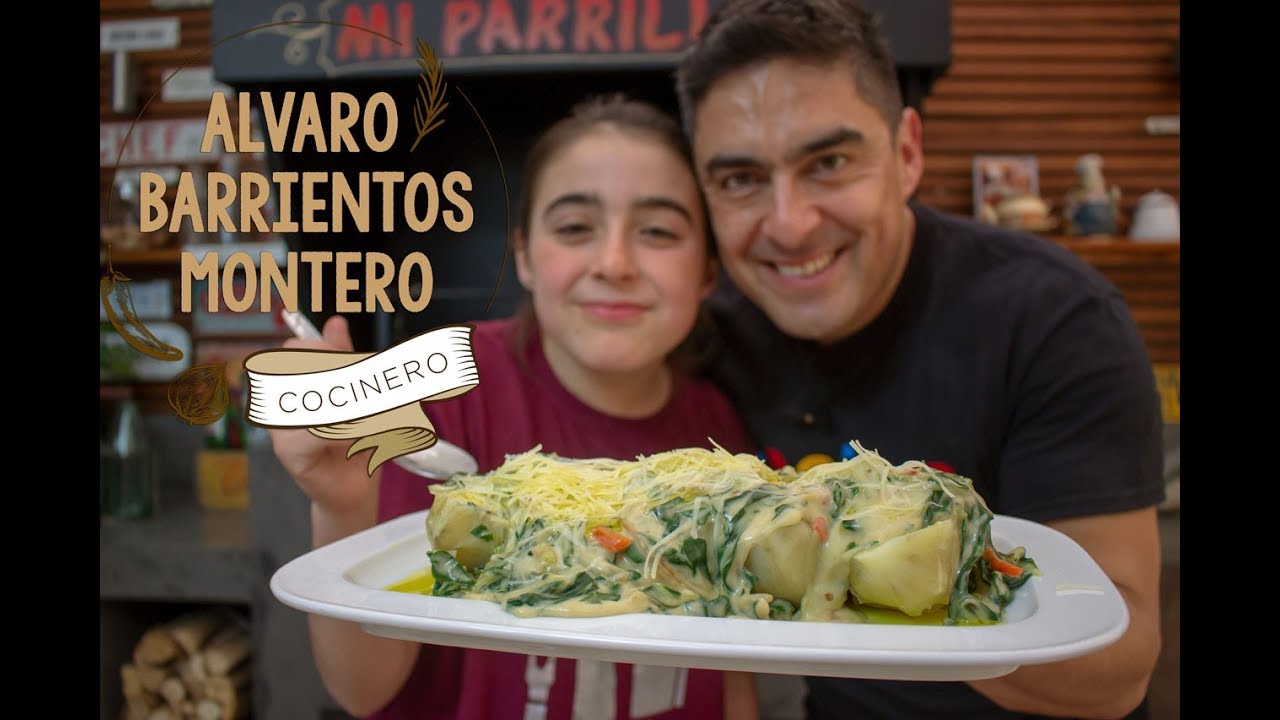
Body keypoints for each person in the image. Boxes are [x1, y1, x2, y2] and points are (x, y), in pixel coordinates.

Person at [673, 1, 1166, 718]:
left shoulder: (1053, 320)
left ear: (906, 154)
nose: (788, 223)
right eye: (741, 179)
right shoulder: (715, 336)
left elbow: (1114, 671)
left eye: (830, 162)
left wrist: (861, 579)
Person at [269, 95, 759, 720]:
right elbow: (365, 689)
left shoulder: (716, 427)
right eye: (575, 227)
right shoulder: (440, 391)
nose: (614, 264)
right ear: (525, 254)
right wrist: (340, 504)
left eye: (659, 232)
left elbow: (737, 664)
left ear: (708, 271)